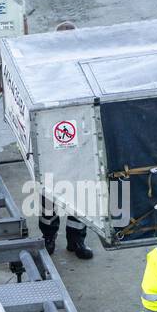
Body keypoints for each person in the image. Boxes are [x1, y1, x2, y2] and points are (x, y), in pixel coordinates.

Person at [37, 20, 93, 260]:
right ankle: (48, 236)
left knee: (80, 193)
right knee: (49, 192)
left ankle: (76, 240)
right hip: (52, 139)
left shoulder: (85, 64)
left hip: (81, 140)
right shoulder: (43, 67)